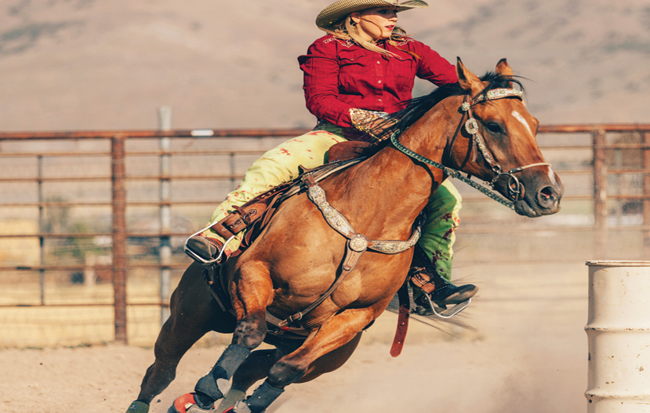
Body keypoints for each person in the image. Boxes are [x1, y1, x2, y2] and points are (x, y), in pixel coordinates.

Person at [184, 1, 476, 310]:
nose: (393, 18)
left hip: (394, 145)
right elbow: (319, 100)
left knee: (448, 200)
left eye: (394, 12)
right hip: (336, 134)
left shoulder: (412, 49)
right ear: (356, 15)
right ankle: (219, 236)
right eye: (385, 11)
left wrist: (490, 90)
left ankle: (431, 284)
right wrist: (362, 118)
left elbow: (457, 84)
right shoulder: (327, 48)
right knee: (273, 164)